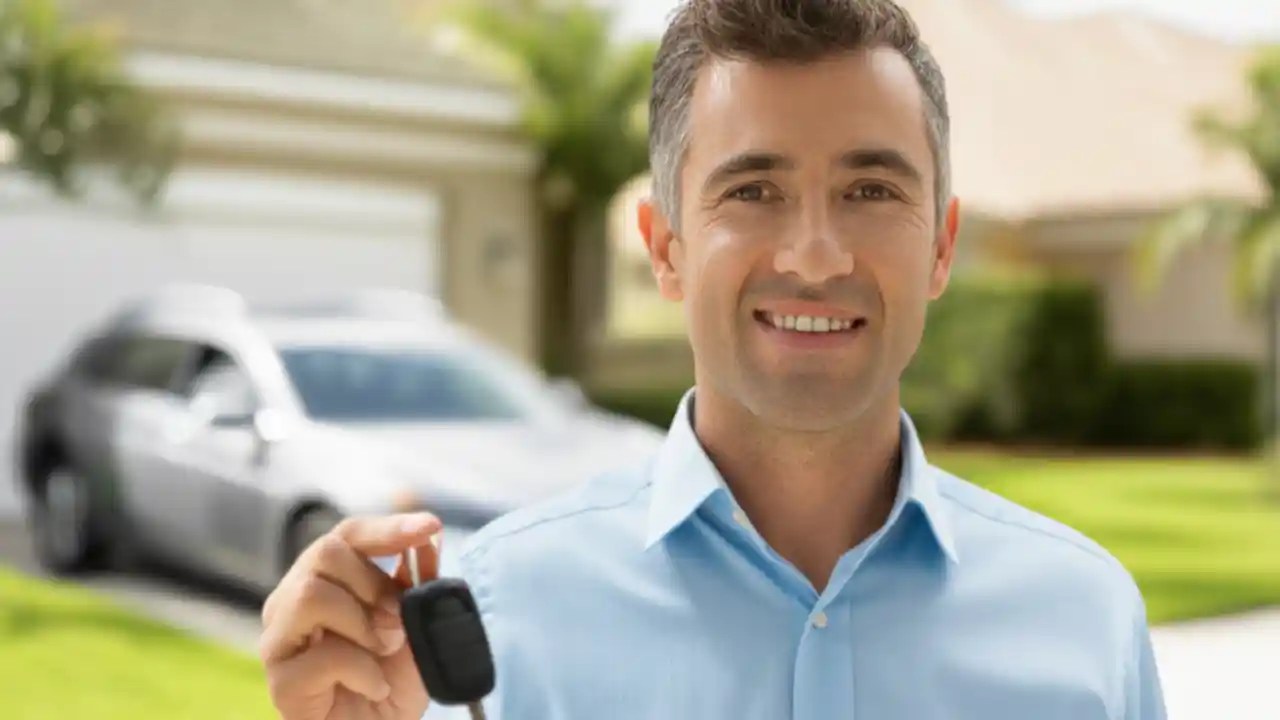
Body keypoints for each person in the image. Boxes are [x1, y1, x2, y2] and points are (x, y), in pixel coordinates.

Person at [259, 1, 1167, 718]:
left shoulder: (1086, 618)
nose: (816, 256)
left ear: (941, 246)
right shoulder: (498, 615)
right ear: (666, 248)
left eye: (870, 190)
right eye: (755, 189)